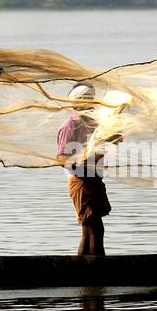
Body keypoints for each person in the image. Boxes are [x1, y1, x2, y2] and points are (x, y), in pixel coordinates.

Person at [57, 83, 111, 257]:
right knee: (96, 230)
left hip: (94, 180)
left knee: (89, 231)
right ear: (79, 102)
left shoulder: (94, 123)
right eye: (89, 99)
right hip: (81, 182)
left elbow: (102, 145)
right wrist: (84, 168)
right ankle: (98, 274)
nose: (94, 103)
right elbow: (62, 158)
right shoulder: (70, 126)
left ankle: (85, 276)